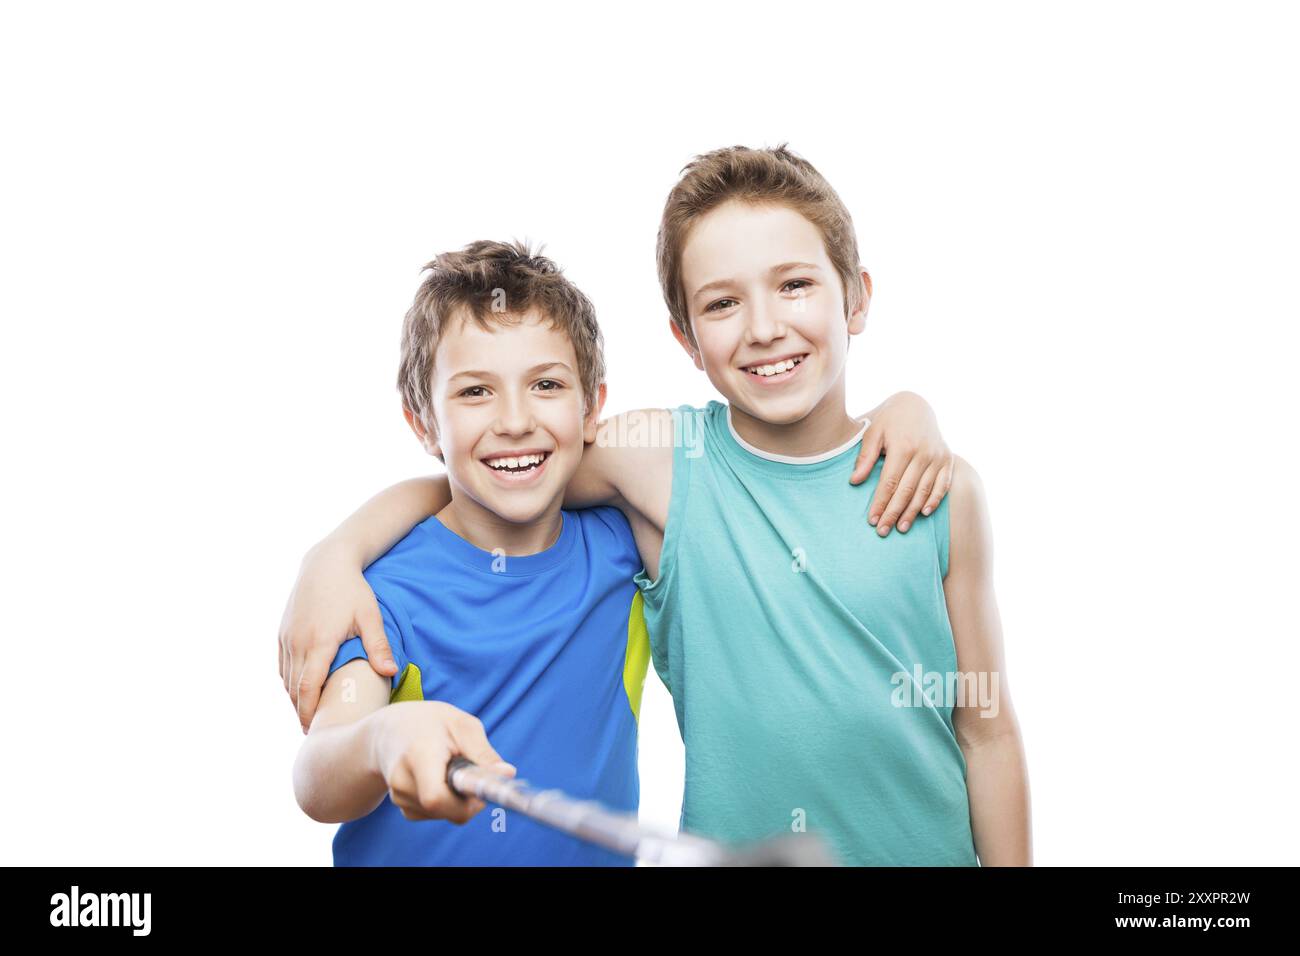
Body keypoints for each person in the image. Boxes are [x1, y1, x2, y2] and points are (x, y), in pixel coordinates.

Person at [283, 145, 1010, 864]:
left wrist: (915, 405)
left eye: (794, 285)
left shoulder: (940, 489)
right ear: (686, 339)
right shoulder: (657, 473)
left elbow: (988, 731)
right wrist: (335, 554)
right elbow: (495, 475)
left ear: (857, 298)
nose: (762, 327)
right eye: (723, 302)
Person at [292, 240, 649, 865]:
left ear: (591, 407)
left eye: (546, 384)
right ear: (424, 424)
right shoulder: (382, 593)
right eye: (475, 392)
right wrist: (382, 738)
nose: (514, 421)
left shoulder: (626, 547)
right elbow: (317, 778)